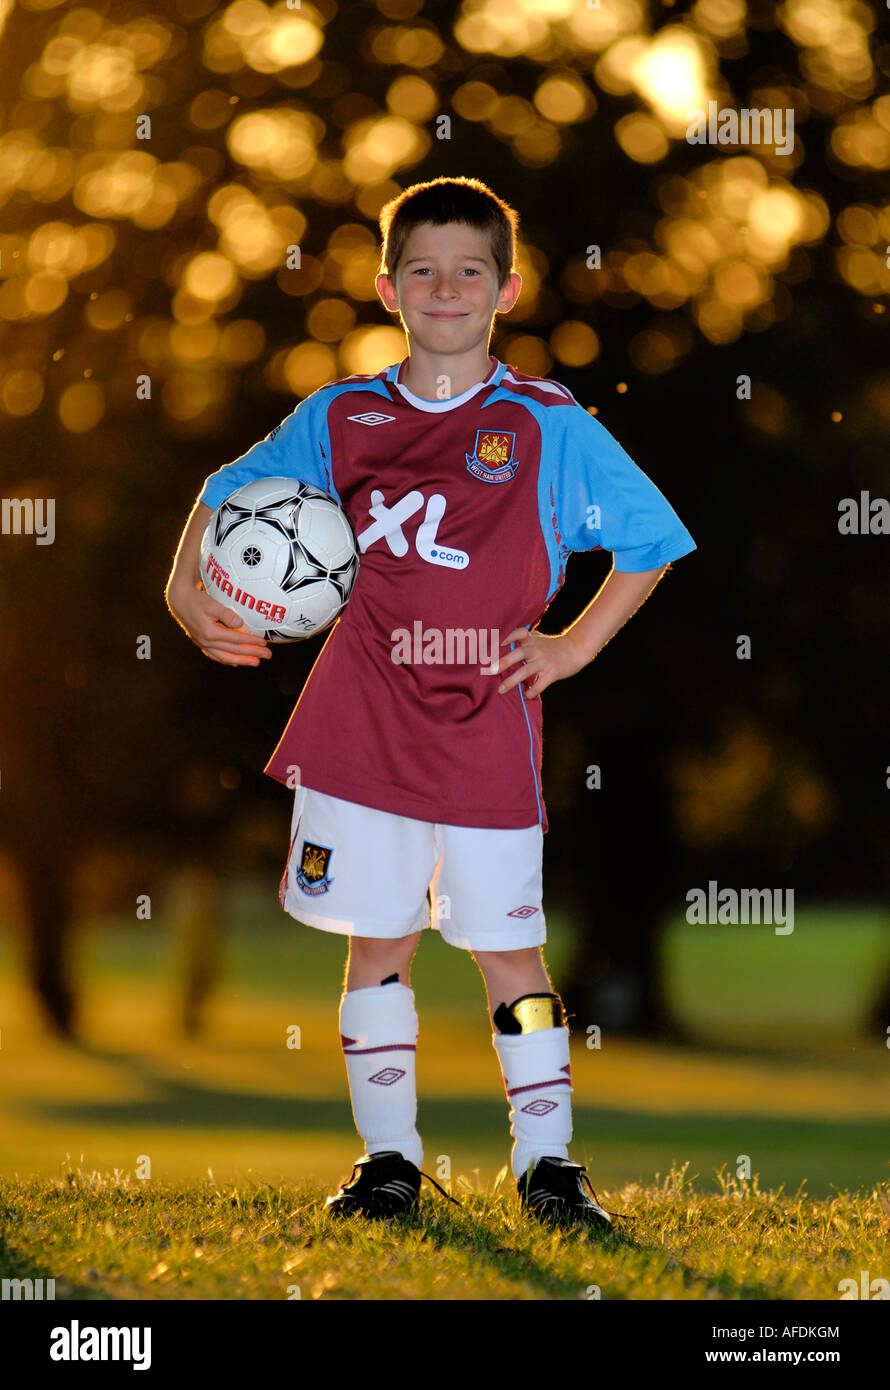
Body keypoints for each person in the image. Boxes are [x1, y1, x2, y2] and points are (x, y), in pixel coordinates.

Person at [165, 176, 696, 1230]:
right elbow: (225, 489)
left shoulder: (546, 423)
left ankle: (547, 1165)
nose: (444, 287)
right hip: (359, 717)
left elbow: (650, 541)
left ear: (505, 288)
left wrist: (572, 644)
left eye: (468, 270)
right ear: (384, 286)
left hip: (486, 720)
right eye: (422, 269)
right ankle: (388, 1163)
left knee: (508, 948)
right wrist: (184, 590)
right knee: (379, 940)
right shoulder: (341, 413)